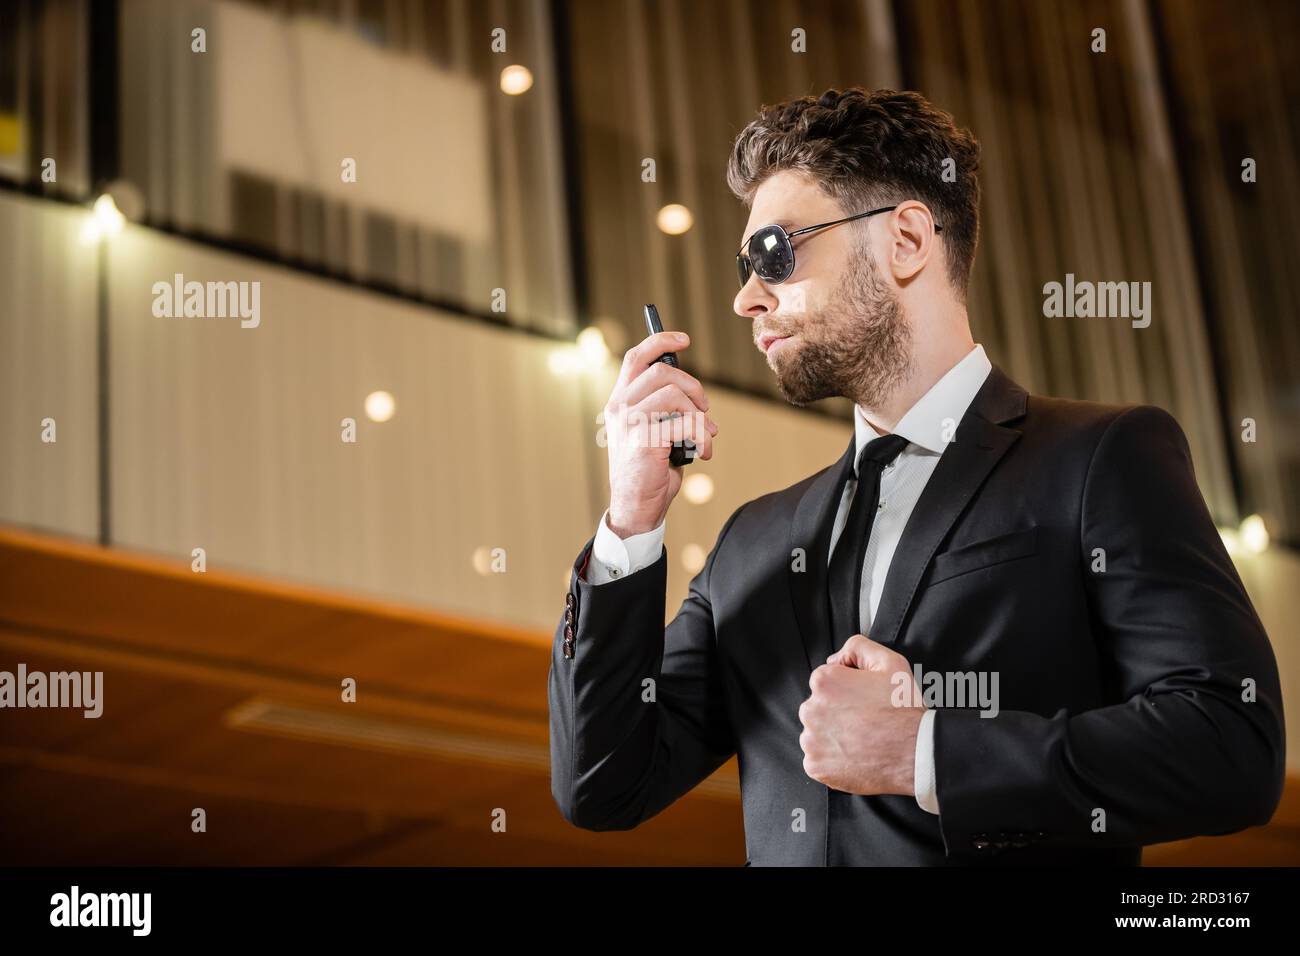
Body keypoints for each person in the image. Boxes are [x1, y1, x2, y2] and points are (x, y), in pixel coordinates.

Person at [547, 88, 1285, 865]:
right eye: (746, 266)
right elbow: (602, 784)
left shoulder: (1100, 457)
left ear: (905, 240)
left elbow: (1230, 740)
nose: (746, 297)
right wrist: (630, 523)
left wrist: (928, 752)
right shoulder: (753, 541)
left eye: (774, 253)